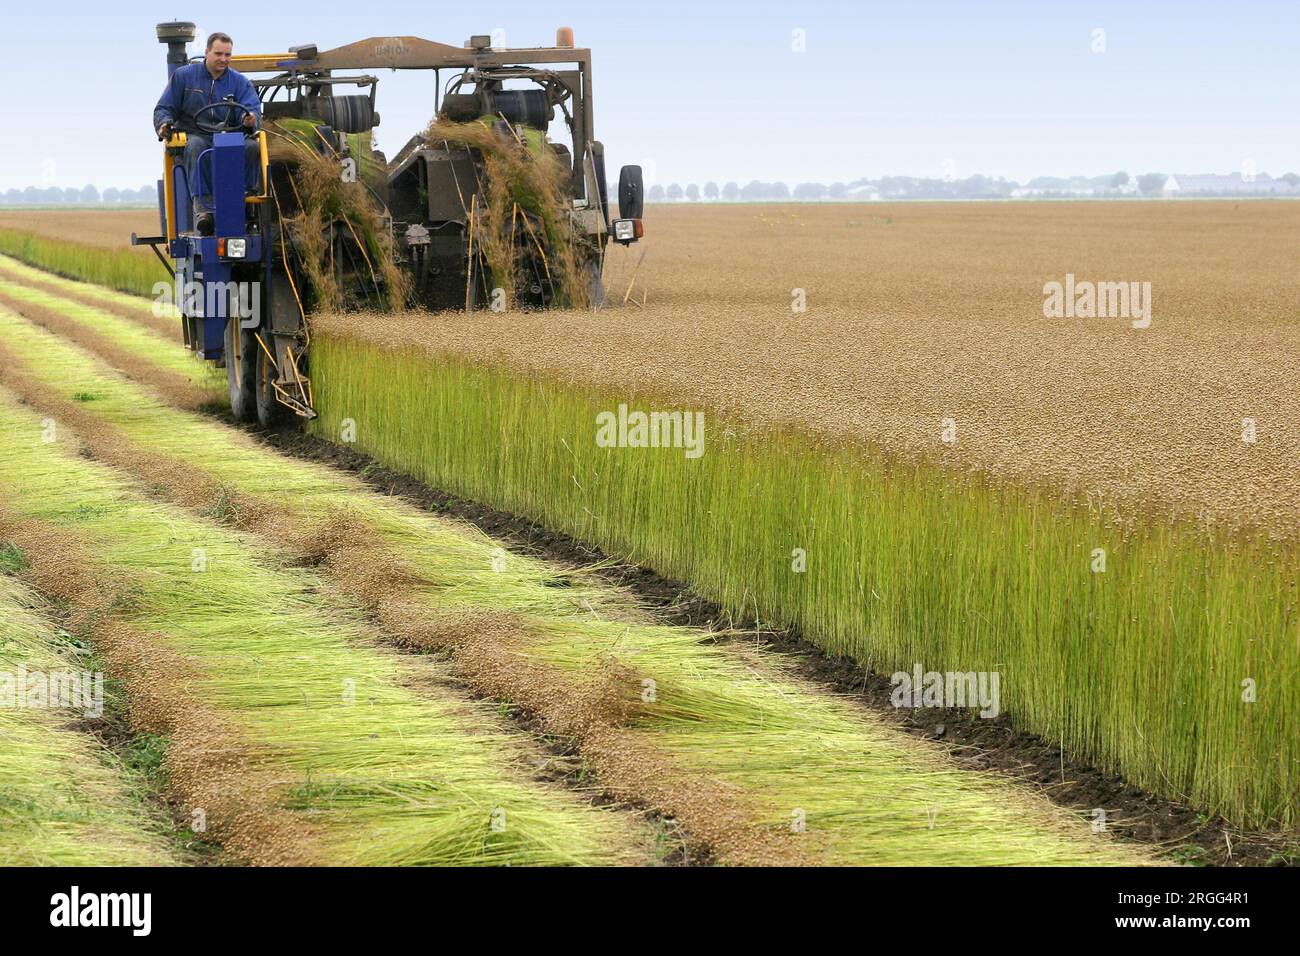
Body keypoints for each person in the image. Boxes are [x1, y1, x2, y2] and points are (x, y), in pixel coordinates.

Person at [153, 32, 262, 233]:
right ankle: (203, 209)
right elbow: (164, 108)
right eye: (218, 54)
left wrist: (251, 119)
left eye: (227, 55)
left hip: (230, 136)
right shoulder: (185, 77)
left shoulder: (239, 82)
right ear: (206, 53)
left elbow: (253, 109)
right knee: (195, 146)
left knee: (252, 147)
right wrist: (164, 124)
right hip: (197, 134)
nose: (223, 59)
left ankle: (247, 204)